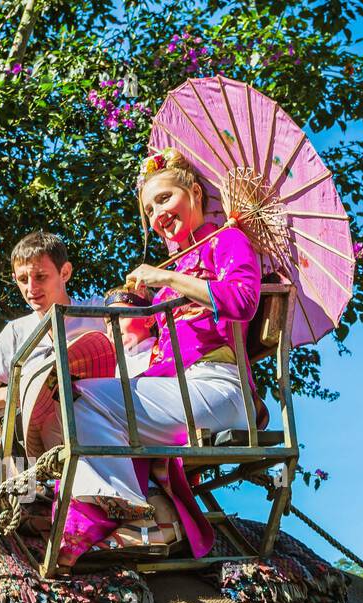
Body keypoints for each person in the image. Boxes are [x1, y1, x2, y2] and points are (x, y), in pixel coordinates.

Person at [54, 148, 268, 567]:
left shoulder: (228, 239)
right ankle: (149, 514)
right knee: (74, 397)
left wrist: (165, 277)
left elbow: (243, 301)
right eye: (149, 209)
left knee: (78, 398)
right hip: (178, 390)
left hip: (217, 386)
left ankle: (113, 513)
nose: (157, 215)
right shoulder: (181, 264)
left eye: (164, 199)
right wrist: (135, 313)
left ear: (193, 190)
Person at [0, 231, 103, 483]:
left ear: (64, 272)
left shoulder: (98, 312)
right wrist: (19, 392)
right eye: (22, 279)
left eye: (40, 276)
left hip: (92, 428)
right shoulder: (16, 332)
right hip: (33, 446)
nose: (31, 288)